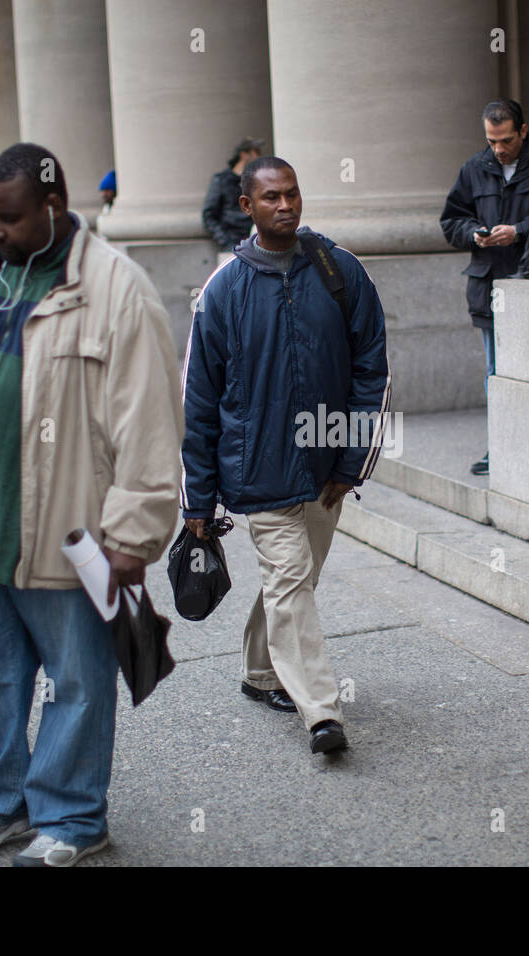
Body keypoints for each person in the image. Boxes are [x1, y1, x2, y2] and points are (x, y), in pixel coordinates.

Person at [0, 142, 183, 866]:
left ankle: (73, 818)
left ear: (53, 206)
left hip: (66, 529)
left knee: (78, 682)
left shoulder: (119, 288)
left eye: (9, 216)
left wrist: (133, 534)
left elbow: (150, 422)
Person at [181, 156, 391, 755]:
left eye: (293, 194)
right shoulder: (221, 290)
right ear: (246, 206)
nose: (286, 205)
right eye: (271, 197)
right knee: (290, 575)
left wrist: (351, 463)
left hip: (327, 465)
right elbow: (198, 398)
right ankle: (321, 711)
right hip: (259, 466)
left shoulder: (340, 270)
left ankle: (258, 670)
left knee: (295, 579)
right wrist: (197, 496)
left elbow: (371, 369)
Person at [440, 98, 529, 476]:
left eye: (505, 140)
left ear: (523, 131)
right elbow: (451, 221)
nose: (499, 149)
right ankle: (500, 445)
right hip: (490, 286)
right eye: (491, 141)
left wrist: (518, 230)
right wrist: (475, 233)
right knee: (495, 371)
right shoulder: (474, 168)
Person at [201, 137, 263, 258]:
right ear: (244, 155)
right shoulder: (221, 180)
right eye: (256, 152)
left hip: (255, 242)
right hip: (232, 245)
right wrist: (224, 240)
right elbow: (208, 214)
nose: (259, 157)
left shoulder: (256, 180)